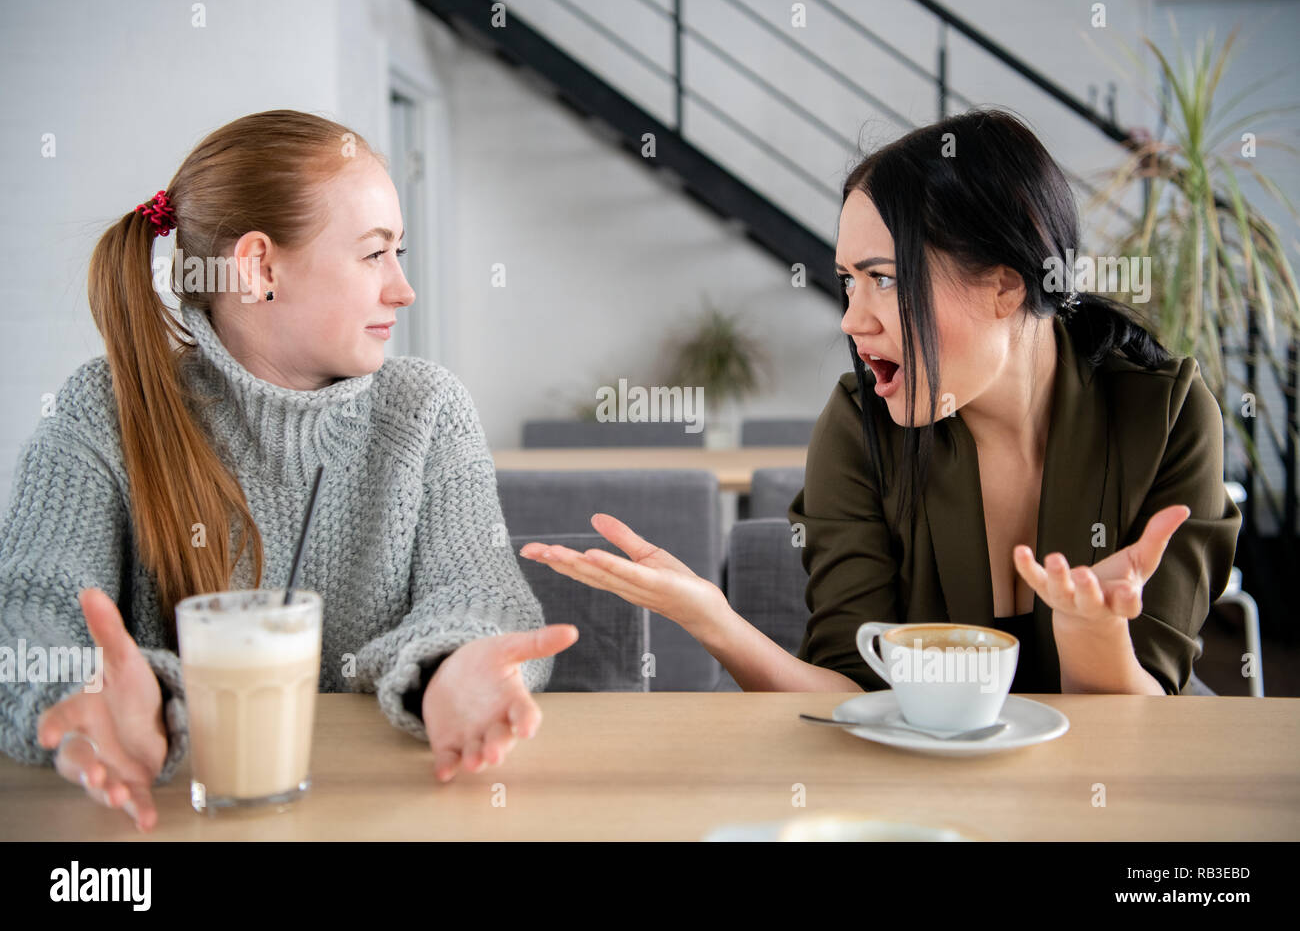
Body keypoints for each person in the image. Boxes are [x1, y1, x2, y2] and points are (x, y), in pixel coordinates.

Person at [521, 108, 1240, 698]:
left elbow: (1145, 723)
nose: (852, 319)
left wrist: (1093, 632)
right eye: (847, 281)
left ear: (1005, 284)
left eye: (884, 279)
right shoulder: (860, 424)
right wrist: (715, 622)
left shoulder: (1168, 416)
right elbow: (853, 696)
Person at [0, 109, 576, 832]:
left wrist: (451, 666)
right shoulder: (105, 411)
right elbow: (28, 613)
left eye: (400, 253)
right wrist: (78, 692)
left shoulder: (427, 409)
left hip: (387, 816)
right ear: (259, 268)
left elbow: (479, 593)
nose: (403, 289)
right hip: (170, 817)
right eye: (374, 255)